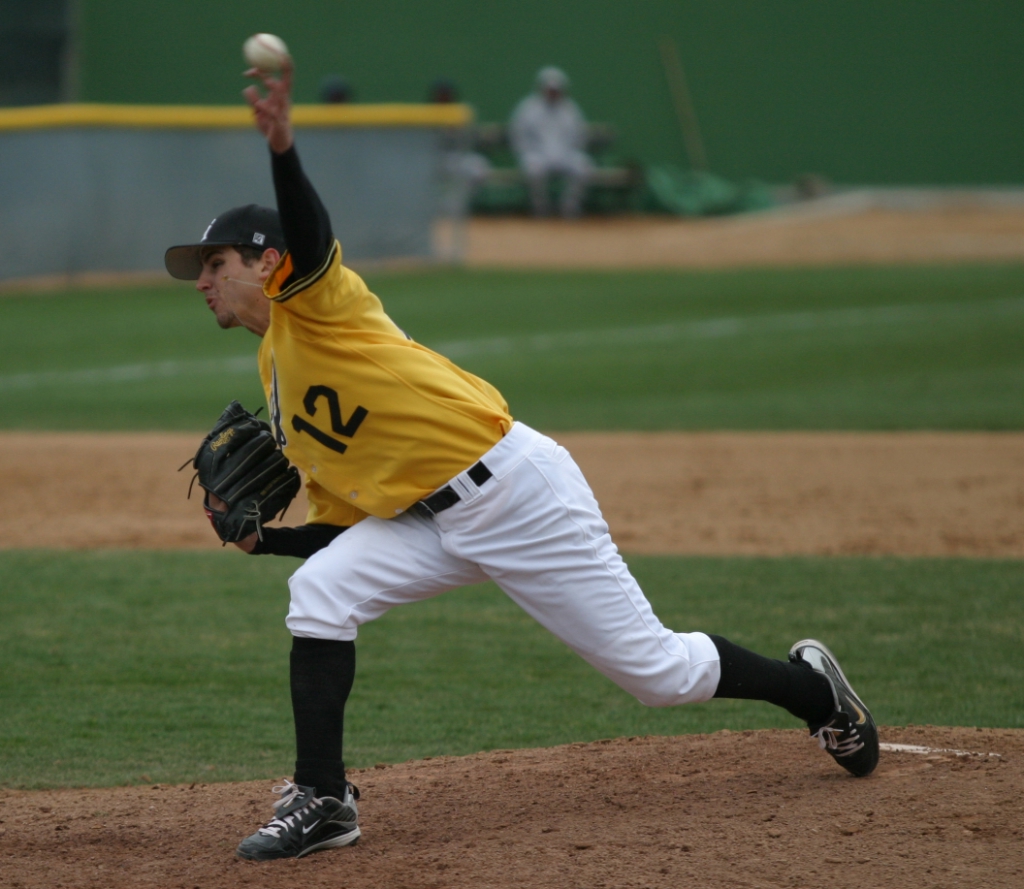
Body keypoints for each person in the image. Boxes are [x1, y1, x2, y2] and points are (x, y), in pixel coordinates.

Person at [163, 60, 879, 863]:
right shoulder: (275, 377)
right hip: (427, 523)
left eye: (216, 263)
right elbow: (344, 528)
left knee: (658, 674)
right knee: (320, 589)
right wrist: (271, 541)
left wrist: (284, 147)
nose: (203, 282)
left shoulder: (320, 304)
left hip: (516, 495)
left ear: (266, 261)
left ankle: (819, 693)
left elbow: (311, 228)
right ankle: (325, 799)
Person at [509, 66, 593, 218]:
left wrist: (572, 151)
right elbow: (518, 136)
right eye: (550, 89)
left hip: (565, 156)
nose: (553, 93)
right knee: (533, 169)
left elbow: (580, 136)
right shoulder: (528, 109)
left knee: (583, 166)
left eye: (556, 90)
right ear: (541, 88)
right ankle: (540, 208)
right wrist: (526, 153)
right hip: (537, 156)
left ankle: (569, 207)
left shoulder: (571, 110)